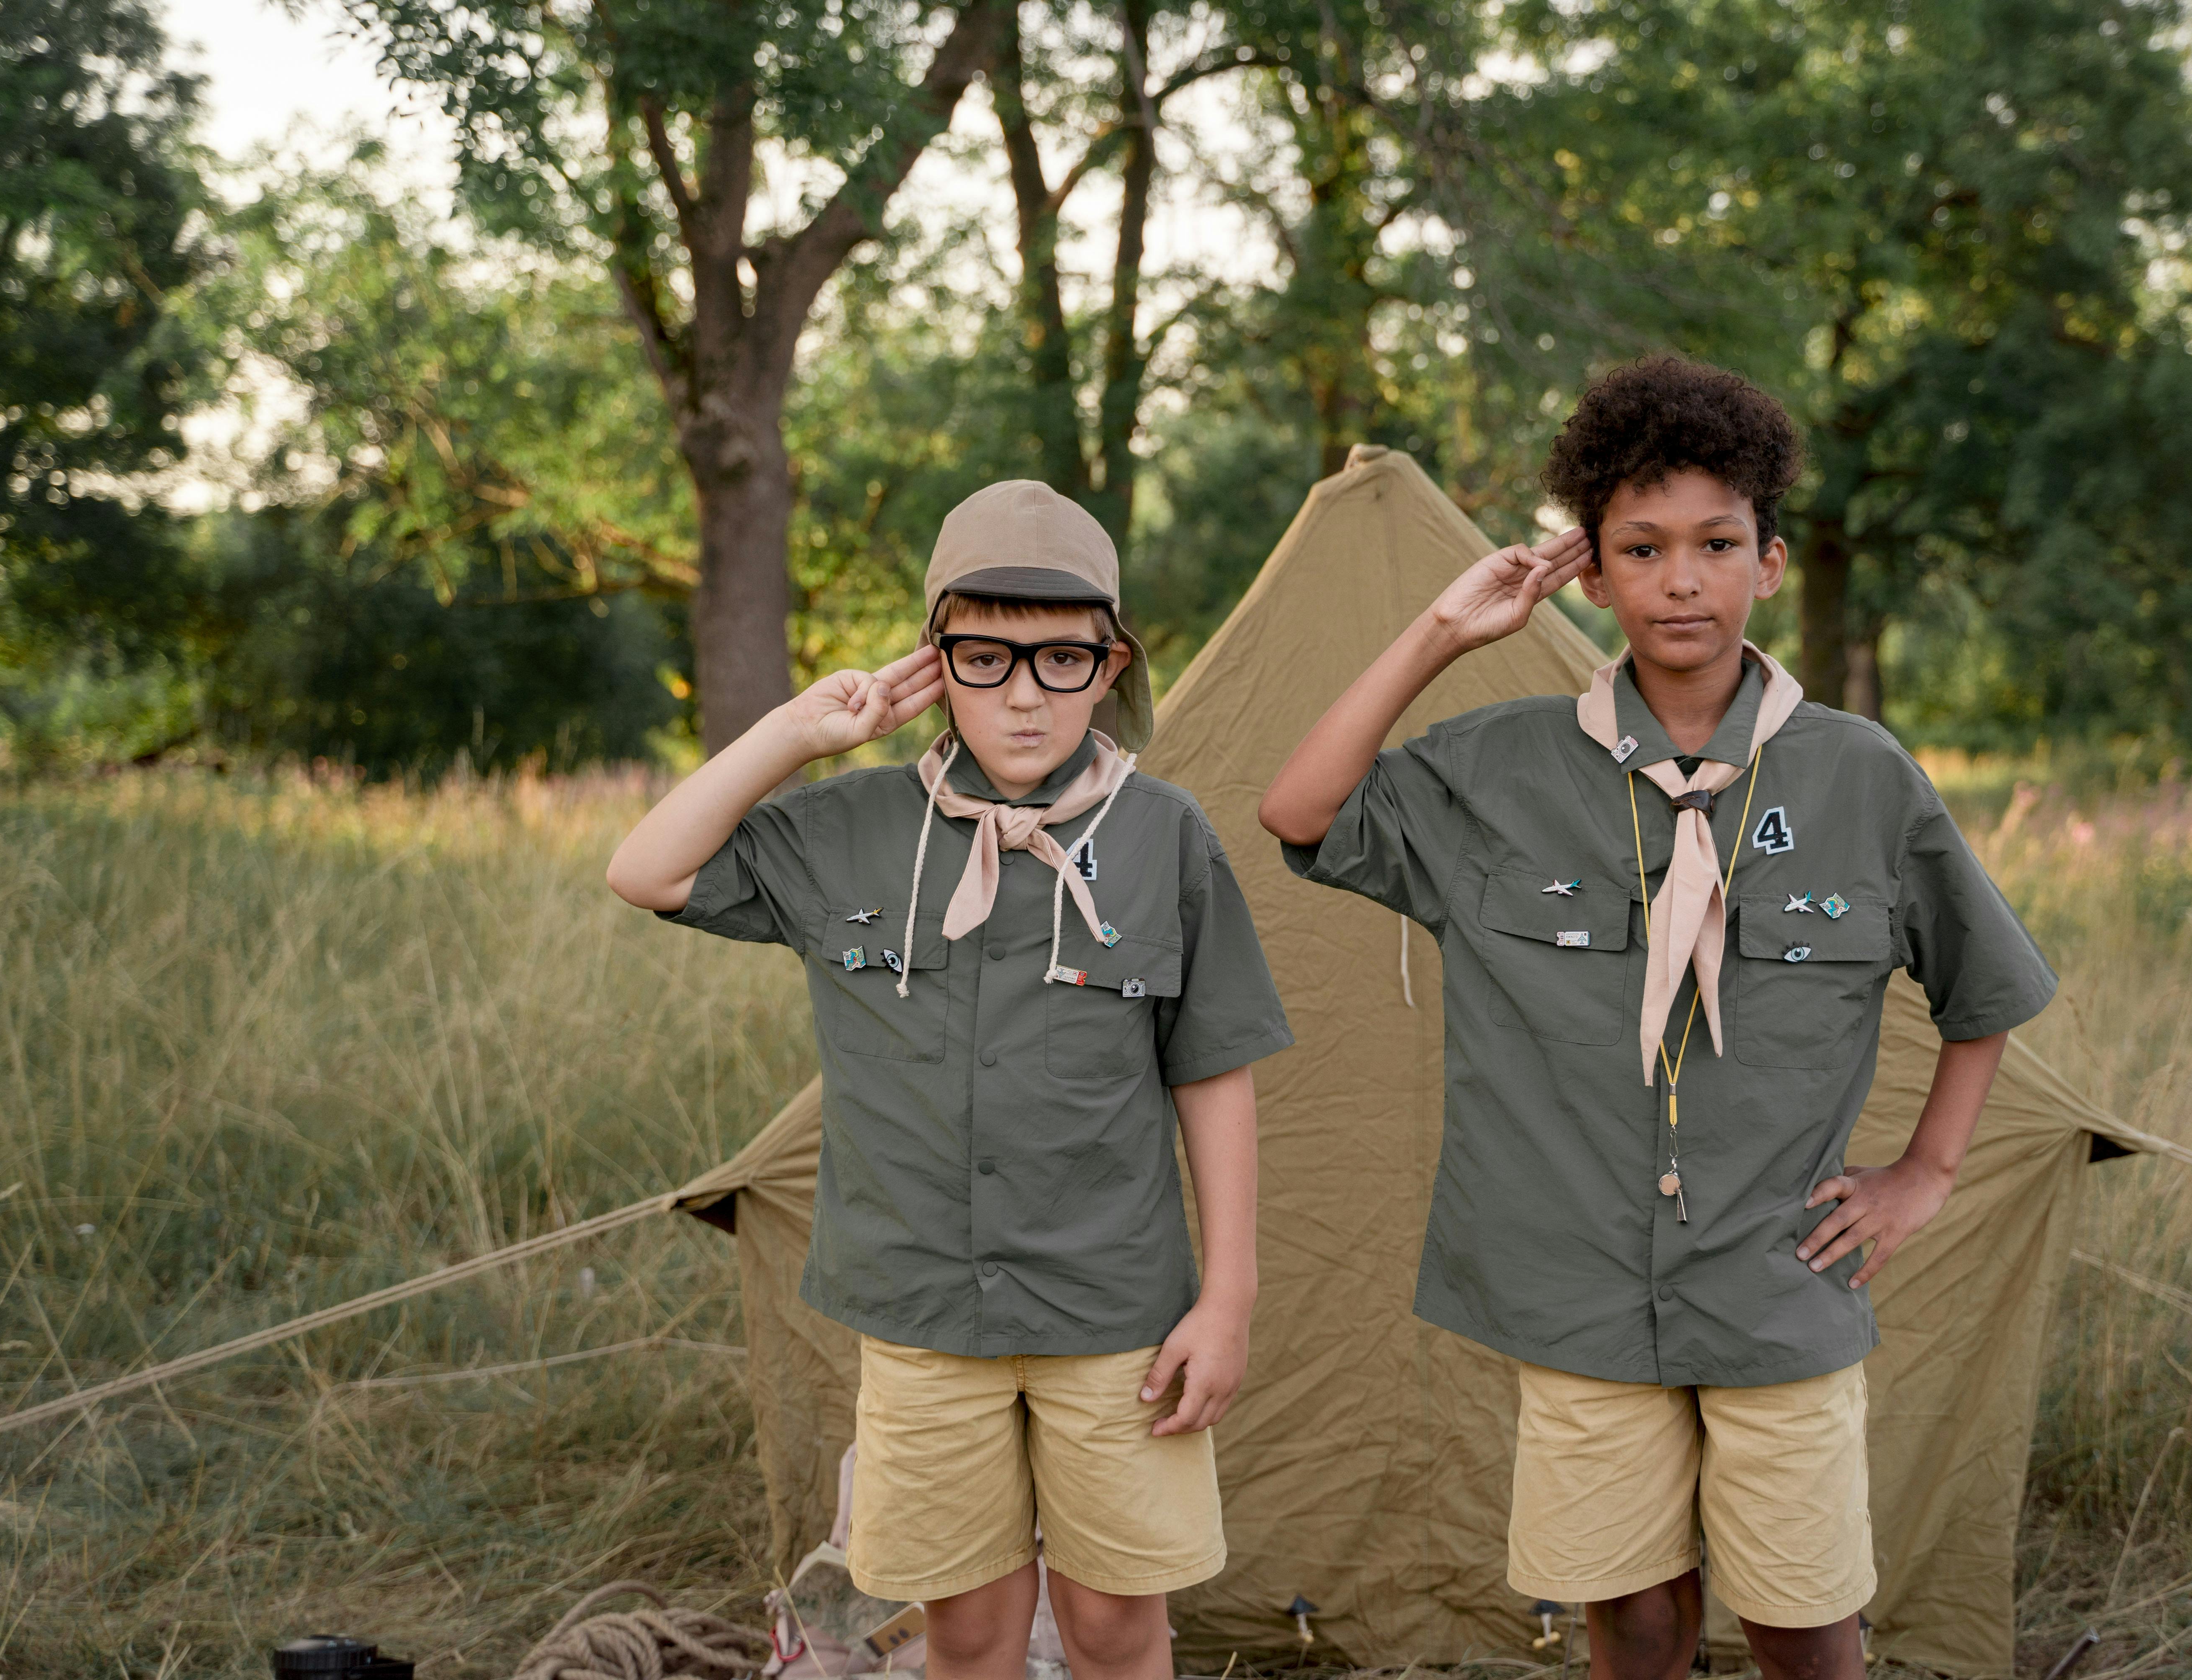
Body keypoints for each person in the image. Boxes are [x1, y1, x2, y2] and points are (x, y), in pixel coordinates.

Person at [1257, 357, 2056, 1680]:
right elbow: (1300, 812)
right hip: (1575, 1285)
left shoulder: (1858, 774)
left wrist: (1929, 1172)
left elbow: (1987, 984)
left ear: (1771, 562)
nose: (1681, 580)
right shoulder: (1504, 769)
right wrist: (1444, 634)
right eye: (1641, 547)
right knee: (1632, 1617)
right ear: (1592, 574)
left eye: (1715, 544)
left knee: (1807, 1617)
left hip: (1778, 1275)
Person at [608, 481, 1292, 1680]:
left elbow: (1213, 1070)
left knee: (1114, 1625)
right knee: (966, 1632)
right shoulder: (850, 829)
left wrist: (1225, 1300)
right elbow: (647, 869)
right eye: (984, 657)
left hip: (1114, 1315)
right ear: (935, 662)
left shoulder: (1164, 835)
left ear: (1112, 663)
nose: (1024, 693)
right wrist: (803, 732)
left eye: (1061, 660)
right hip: (925, 1317)